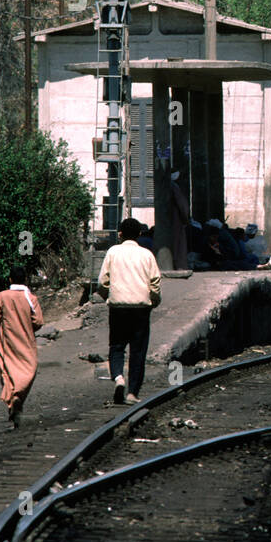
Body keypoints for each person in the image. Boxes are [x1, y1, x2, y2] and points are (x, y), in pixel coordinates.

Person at [98, 218, 162, 405]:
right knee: (138, 350)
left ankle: (118, 378)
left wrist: (107, 297)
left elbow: (103, 281)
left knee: (116, 346)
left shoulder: (113, 252)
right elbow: (155, 283)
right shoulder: (147, 255)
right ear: (140, 235)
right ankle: (133, 393)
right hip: (141, 307)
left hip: (118, 307)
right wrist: (154, 301)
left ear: (120, 234)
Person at [0, 266, 43, 429]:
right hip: (26, 341)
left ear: (10, 280)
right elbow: (38, 321)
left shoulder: (3, 296)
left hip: (7, 341)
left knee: (8, 370)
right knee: (29, 369)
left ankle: (13, 398)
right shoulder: (30, 297)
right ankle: (18, 396)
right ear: (25, 280)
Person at [169, 170, 190, 270]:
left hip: (171, 218)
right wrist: (186, 219)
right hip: (176, 218)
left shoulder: (167, 186)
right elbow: (182, 206)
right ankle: (178, 265)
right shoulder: (174, 187)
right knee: (178, 244)